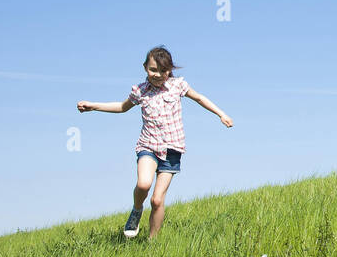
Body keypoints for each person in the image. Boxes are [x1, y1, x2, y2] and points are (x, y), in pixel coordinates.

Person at [77, 46, 232, 239]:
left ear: (170, 70)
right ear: (145, 68)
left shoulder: (178, 86)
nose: (158, 75)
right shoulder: (140, 91)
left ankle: (152, 242)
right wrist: (94, 106)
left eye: (163, 71)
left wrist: (221, 114)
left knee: (157, 200)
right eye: (153, 70)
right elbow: (122, 107)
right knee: (143, 184)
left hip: (172, 148)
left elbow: (200, 98)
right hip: (148, 145)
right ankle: (136, 210)